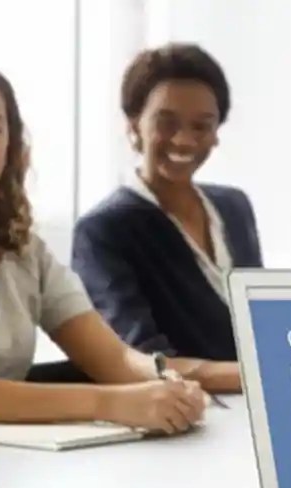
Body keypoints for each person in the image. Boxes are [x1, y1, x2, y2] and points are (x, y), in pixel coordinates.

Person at [0, 61, 207, 433]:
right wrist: (108, 402)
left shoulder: (24, 251)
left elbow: (114, 357)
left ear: (11, 143)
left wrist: (165, 383)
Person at [71, 43, 258, 394]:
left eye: (201, 126)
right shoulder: (104, 231)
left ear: (217, 132)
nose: (184, 140)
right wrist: (259, 375)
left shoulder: (234, 207)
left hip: (255, 409)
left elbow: (260, 326)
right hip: (180, 416)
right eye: (166, 122)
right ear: (134, 124)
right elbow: (140, 358)